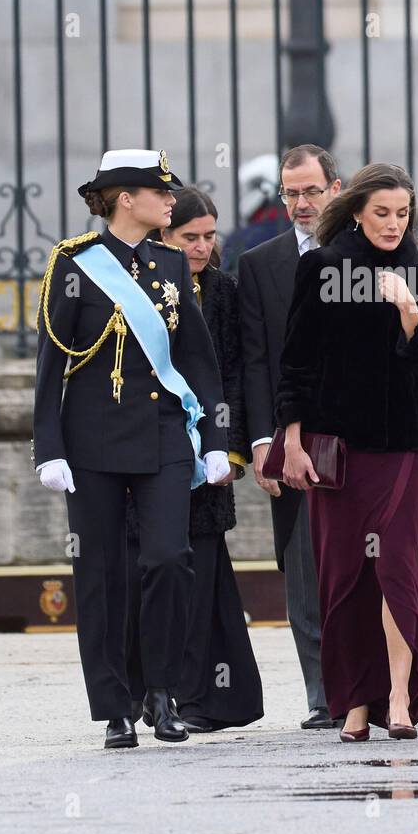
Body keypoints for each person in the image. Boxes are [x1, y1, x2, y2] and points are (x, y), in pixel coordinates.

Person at [33, 149, 231, 750]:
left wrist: (217, 439)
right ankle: (115, 705)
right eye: (160, 192)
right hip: (91, 443)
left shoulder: (170, 263)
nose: (171, 201)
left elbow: (197, 357)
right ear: (125, 199)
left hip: (165, 437)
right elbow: (51, 364)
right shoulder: (75, 265)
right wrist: (49, 447)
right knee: (101, 574)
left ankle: (163, 694)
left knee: (169, 559)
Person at [275, 163, 418, 740]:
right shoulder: (323, 266)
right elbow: (296, 362)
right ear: (356, 210)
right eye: (381, 212)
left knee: (397, 570)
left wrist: (410, 316)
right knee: (346, 577)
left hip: (402, 446)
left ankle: (401, 698)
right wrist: (290, 441)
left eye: (402, 213)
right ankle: (357, 702)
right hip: (337, 450)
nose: (392, 223)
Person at [126, 187, 263, 733]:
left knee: (202, 570)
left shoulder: (224, 293)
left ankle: (205, 698)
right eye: (190, 238)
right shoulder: (135, 287)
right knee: (154, 569)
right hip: (151, 452)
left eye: (210, 236)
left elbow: (235, 371)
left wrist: (226, 445)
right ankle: (150, 691)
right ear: (163, 236)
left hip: (208, 457)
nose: (202, 247)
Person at [237, 144, 341, 729]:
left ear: (334, 187)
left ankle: (363, 687)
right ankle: (321, 694)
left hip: (358, 437)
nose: (301, 203)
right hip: (291, 441)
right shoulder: (259, 264)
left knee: (362, 566)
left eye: (310, 191)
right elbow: (255, 362)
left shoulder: (367, 254)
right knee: (301, 568)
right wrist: (260, 443)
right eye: (291, 193)